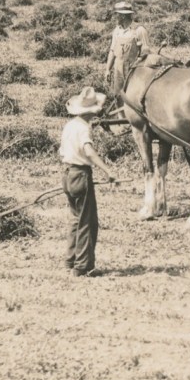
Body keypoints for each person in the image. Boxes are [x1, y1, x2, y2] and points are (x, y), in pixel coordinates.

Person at [60, 87, 117, 277]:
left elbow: (62, 151)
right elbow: (89, 151)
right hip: (80, 174)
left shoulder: (70, 125)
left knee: (76, 219)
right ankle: (83, 266)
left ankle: (70, 260)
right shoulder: (84, 128)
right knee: (87, 221)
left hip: (67, 173)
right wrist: (107, 170)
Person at [104, 2, 148, 106]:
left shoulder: (139, 30)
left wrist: (137, 64)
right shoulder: (117, 30)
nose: (115, 17)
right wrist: (107, 70)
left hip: (134, 71)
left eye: (116, 15)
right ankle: (121, 120)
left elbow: (146, 53)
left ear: (122, 16)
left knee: (133, 98)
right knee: (118, 98)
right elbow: (112, 51)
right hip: (118, 70)